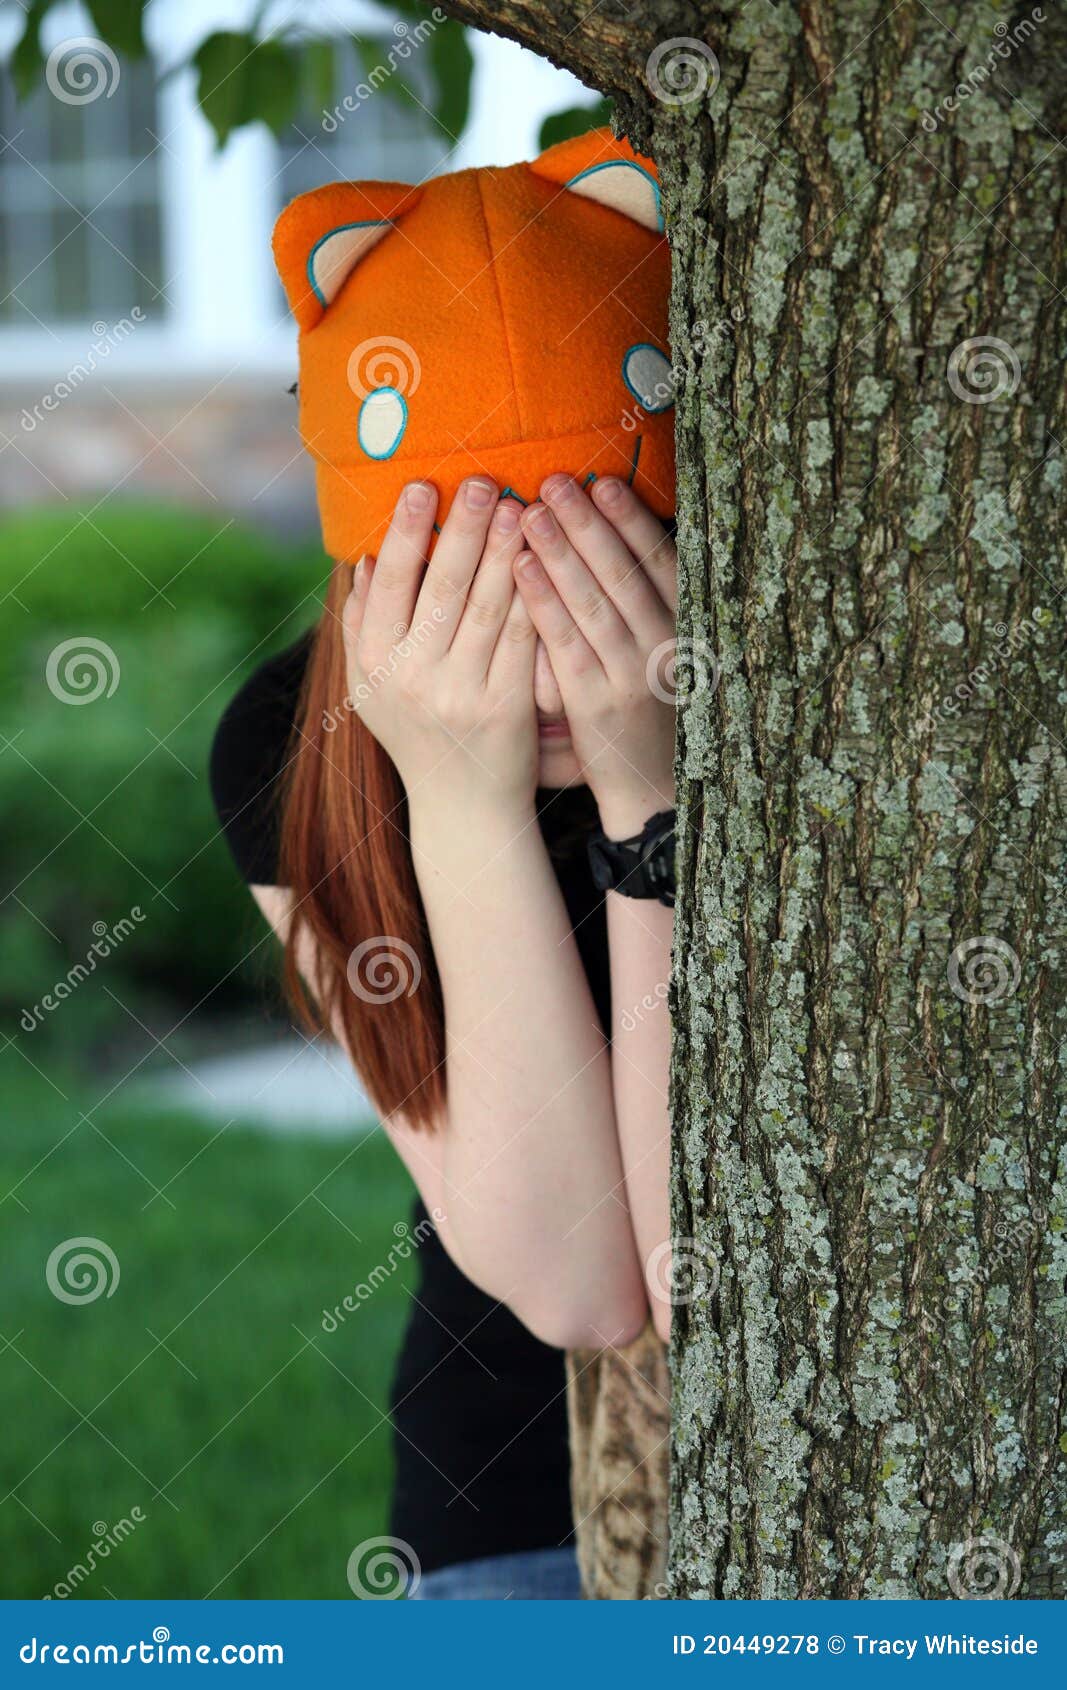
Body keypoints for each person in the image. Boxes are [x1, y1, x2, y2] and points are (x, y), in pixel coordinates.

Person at [211, 132, 678, 1600]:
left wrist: (648, 801)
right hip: (508, 1503)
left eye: (594, 565)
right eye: (475, 585)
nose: (548, 661)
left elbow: (698, 1275)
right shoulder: (294, 746)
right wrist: (461, 805)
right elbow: (591, 1286)